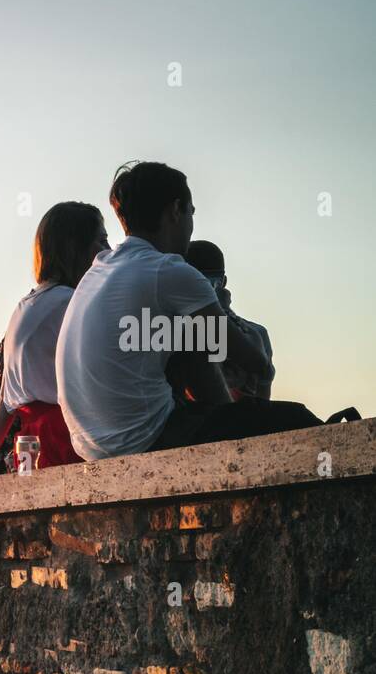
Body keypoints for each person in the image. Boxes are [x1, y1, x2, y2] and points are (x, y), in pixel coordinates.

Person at [56, 161, 320, 460]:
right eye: (192, 213)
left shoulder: (98, 271)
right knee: (298, 420)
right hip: (146, 438)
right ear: (176, 210)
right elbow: (254, 362)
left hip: (90, 447)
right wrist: (219, 312)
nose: (191, 225)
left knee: (186, 338)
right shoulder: (170, 270)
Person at [0, 201, 110, 477]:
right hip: (67, 444)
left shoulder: (24, 307)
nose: (109, 251)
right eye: (101, 241)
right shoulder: (71, 303)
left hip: (31, 450)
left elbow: (4, 407)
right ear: (75, 248)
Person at [185, 239, 273, 400]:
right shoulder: (257, 333)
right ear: (224, 282)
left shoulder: (172, 331)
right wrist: (224, 310)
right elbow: (262, 398)